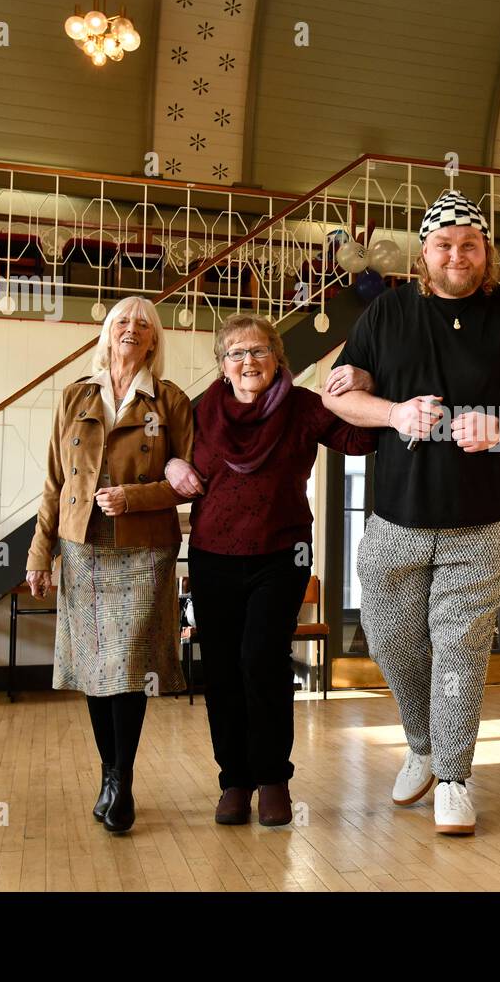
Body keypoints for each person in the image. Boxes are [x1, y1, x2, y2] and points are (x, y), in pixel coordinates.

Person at [322, 189, 500, 835]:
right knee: (393, 644)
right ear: (424, 253)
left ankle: (457, 779)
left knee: (460, 651)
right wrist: (394, 413)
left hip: (483, 520)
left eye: (470, 244)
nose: (457, 255)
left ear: (485, 251)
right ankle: (423, 746)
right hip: (396, 518)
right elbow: (341, 398)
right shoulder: (386, 313)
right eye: (444, 244)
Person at [164, 315, 375, 827]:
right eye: (235, 353)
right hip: (212, 554)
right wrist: (172, 463)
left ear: (277, 358)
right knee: (221, 669)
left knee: (262, 661)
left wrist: (368, 385)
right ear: (221, 365)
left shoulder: (303, 406)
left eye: (259, 351)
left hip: (283, 554)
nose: (248, 361)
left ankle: (273, 778)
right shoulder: (199, 413)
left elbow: (361, 441)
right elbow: (160, 457)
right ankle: (234, 781)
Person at [26, 296, 193, 834]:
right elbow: (55, 482)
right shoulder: (75, 396)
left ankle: (121, 778)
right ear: (107, 334)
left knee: (127, 670)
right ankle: (112, 776)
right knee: (95, 671)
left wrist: (133, 498)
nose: (132, 328)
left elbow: (190, 484)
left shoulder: (169, 401)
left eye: (143, 324)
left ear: (154, 341)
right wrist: (39, 553)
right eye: (122, 321)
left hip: (145, 550)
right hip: (83, 548)